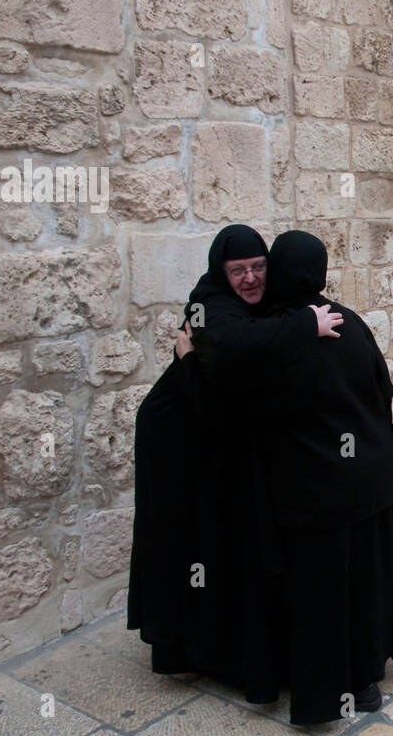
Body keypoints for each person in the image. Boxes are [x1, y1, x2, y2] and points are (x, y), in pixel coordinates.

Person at [191, 230, 393, 725]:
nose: (254, 277)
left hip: (316, 493)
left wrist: (188, 364)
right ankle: (364, 681)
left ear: (279, 271)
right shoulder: (350, 321)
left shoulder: (284, 337)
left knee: (322, 596)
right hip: (372, 481)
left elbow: (246, 412)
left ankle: (327, 691)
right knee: (364, 585)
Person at [128, 225, 345, 701]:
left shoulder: (255, 308)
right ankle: (184, 648)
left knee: (222, 539)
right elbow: (231, 348)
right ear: (219, 273)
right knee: (191, 541)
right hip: (176, 441)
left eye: (258, 267)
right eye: (237, 270)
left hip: (213, 435)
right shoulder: (210, 305)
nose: (249, 279)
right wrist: (305, 324)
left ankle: (223, 646)